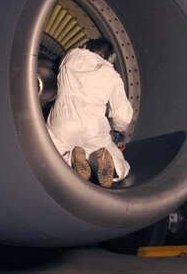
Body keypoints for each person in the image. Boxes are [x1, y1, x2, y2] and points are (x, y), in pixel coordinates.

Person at [46, 39, 134, 187]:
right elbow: (122, 116)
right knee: (114, 157)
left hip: (63, 124)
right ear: (110, 58)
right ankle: (112, 167)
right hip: (94, 130)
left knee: (51, 155)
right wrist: (118, 129)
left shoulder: (71, 57)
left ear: (87, 46)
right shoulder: (112, 75)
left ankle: (71, 161)